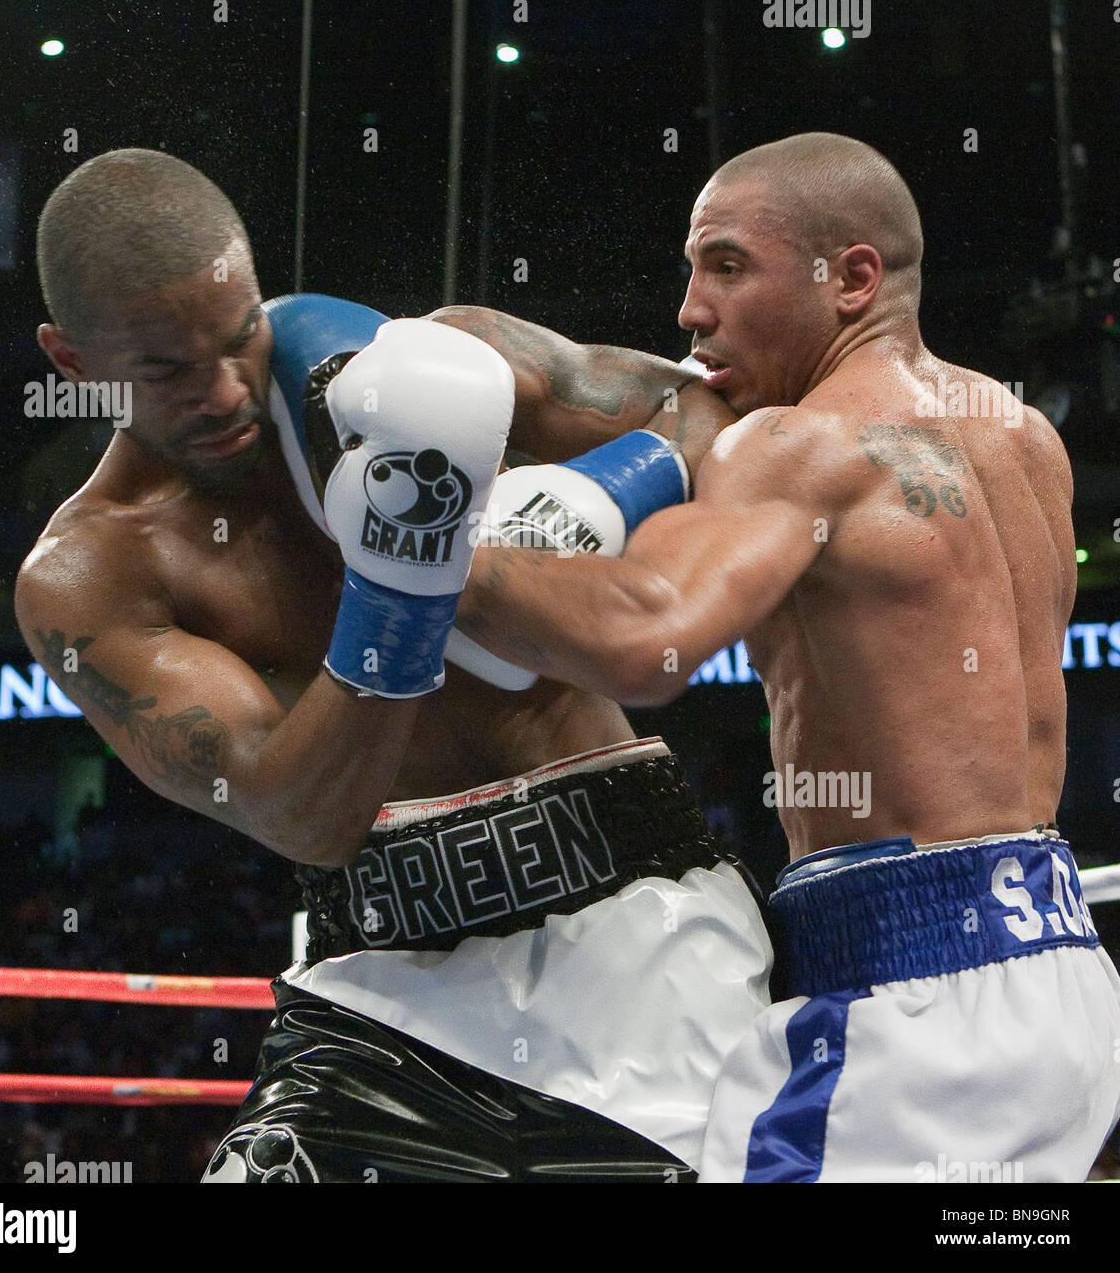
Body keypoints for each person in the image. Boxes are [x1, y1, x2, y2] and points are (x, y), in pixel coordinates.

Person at [15, 148, 770, 1183]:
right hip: (379, 991)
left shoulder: (438, 364)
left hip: (634, 926)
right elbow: (301, 814)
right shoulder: (92, 574)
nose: (225, 388)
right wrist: (406, 581)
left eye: (240, 338)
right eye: (168, 371)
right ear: (71, 360)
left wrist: (591, 499)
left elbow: (704, 416)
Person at [454, 131, 1120, 1182]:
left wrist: (433, 555)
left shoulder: (795, 448)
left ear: (850, 278)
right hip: (1064, 974)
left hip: (910, 1009)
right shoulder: (1023, 437)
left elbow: (646, 640)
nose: (689, 306)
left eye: (725, 265)